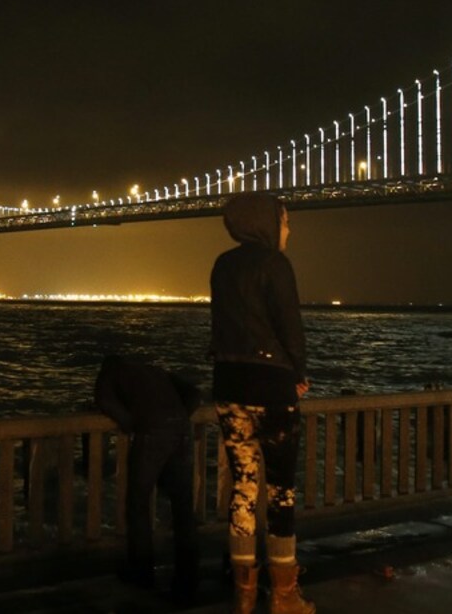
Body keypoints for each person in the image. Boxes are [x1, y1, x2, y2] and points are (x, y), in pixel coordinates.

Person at [210, 193, 314, 614]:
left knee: (243, 487)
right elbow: (290, 327)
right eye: (284, 220)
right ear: (266, 223)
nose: (288, 229)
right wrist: (299, 374)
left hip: (228, 384)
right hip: (271, 387)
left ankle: (244, 595)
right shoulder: (276, 264)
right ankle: (284, 596)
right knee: (281, 492)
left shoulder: (222, 264)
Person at [92, 354, 202, 604]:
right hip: (181, 431)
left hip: (151, 433)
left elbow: (104, 400)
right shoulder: (155, 371)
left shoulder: (109, 374)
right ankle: (188, 579)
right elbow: (195, 393)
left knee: (138, 503)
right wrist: (178, 417)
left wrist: (131, 424)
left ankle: (141, 571)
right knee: (183, 507)